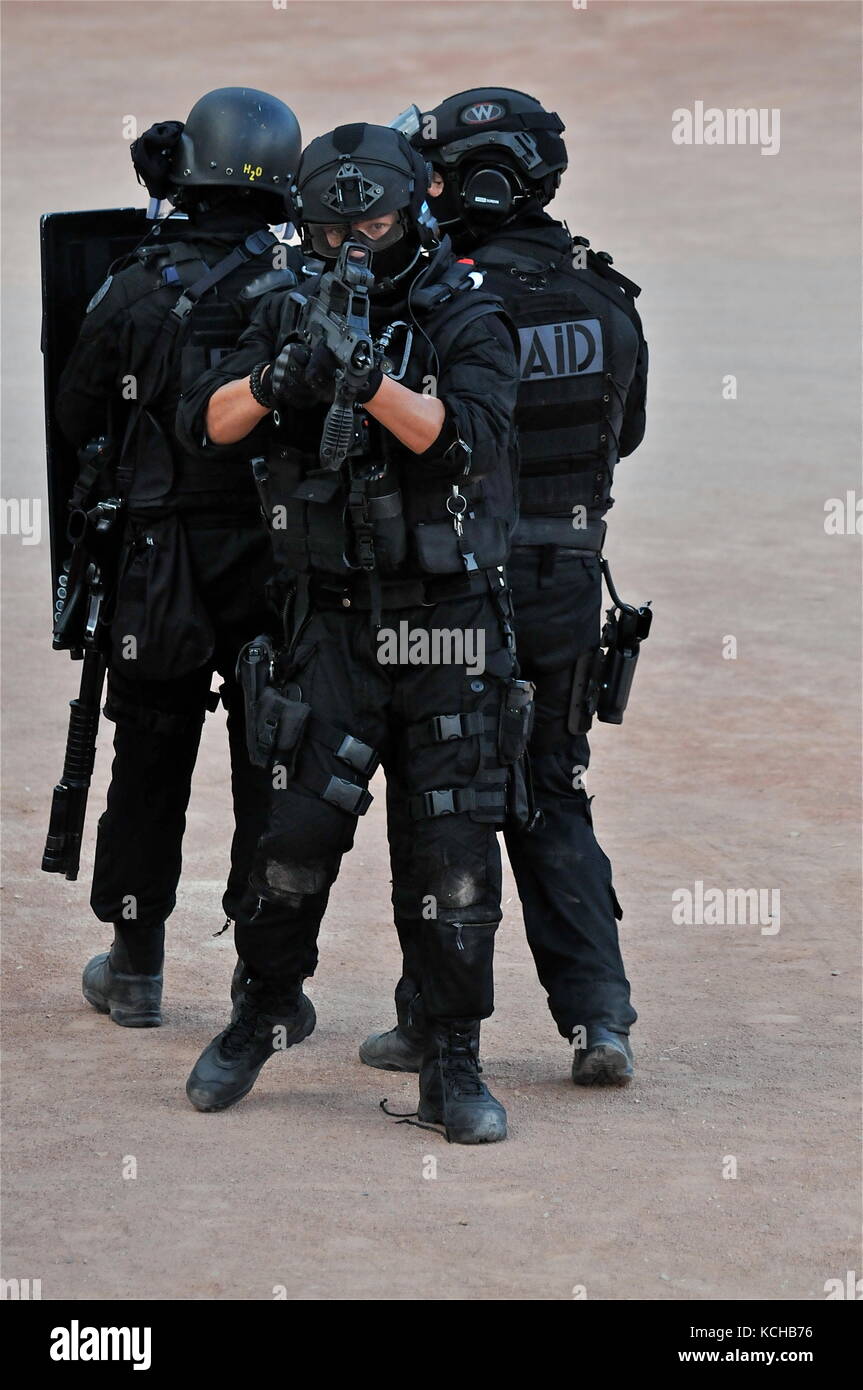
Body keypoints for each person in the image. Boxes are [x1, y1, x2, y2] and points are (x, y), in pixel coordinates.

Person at [177, 123, 523, 1143]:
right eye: (333, 230)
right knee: (291, 842)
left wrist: (370, 386)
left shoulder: (463, 307)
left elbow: (466, 440)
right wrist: (280, 379)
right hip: (327, 623)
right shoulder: (281, 300)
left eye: (372, 225)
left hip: (447, 623)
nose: (353, 247)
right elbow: (209, 421)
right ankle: (262, 1007)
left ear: (412, 208)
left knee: (452, 853)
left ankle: (452, 1060)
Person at [361, 88, 648, 1085]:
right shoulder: (602, 296)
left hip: (455, 581)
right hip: (566, 579)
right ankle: (598, 1022)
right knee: (552, 789)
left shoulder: (439, 299)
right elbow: (627, 434)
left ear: (473, 178)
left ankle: (421, 1024)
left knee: (439, 793)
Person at [55, 88, 303, 1027]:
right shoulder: (298, 292)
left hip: (158, 562)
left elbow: (77, 419)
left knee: (148, 759)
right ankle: (264, 979)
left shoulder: (132, 286)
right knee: (268, 765)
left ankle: (135, 969)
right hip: (274, 563)